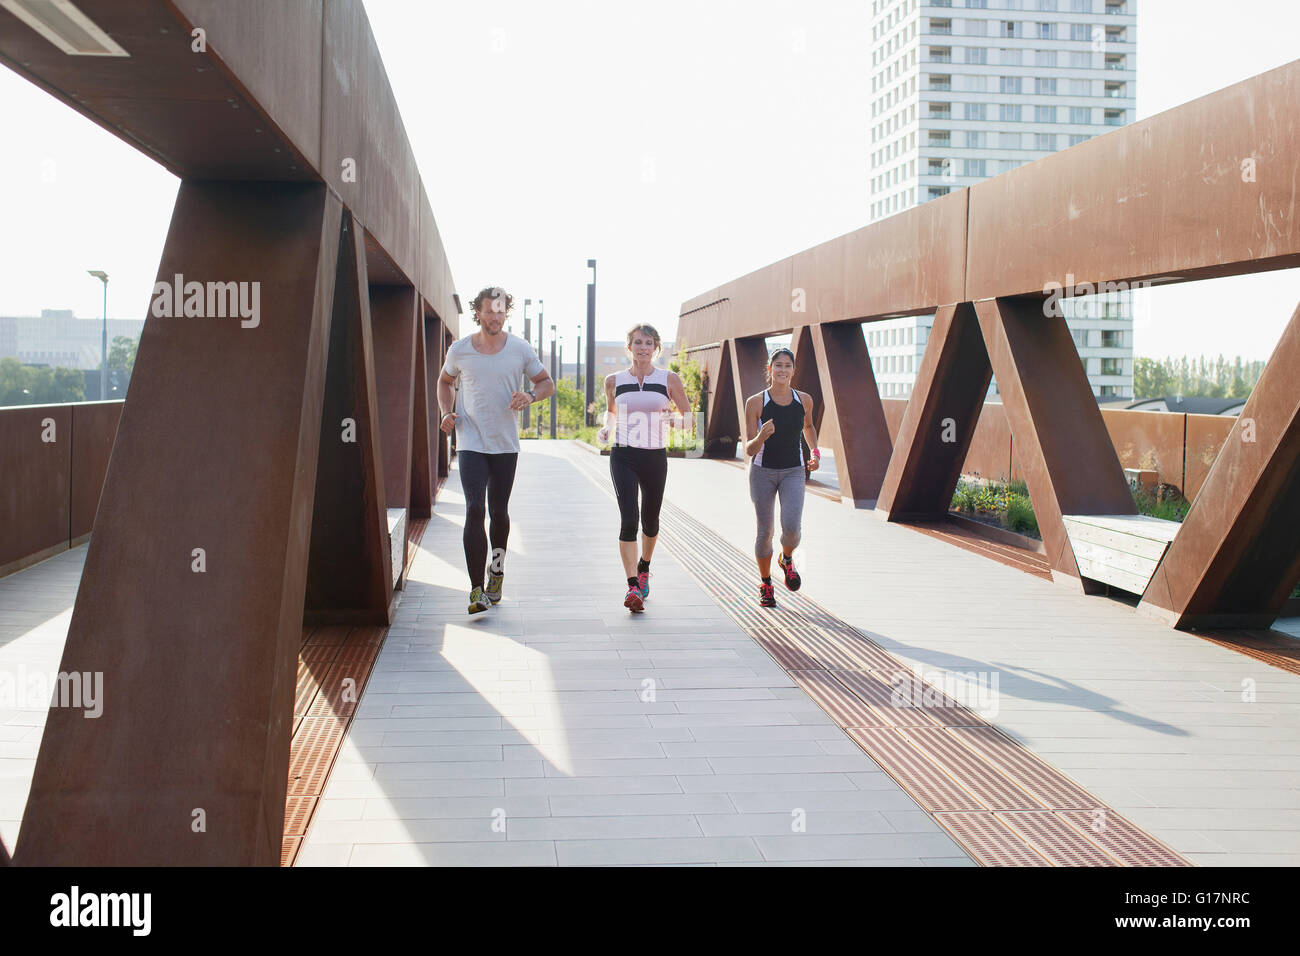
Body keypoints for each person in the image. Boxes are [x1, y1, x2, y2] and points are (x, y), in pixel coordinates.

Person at [438, 287, 554, 613]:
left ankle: (497, 572)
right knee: (475, 509)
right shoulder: (460, 350)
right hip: (471, 441)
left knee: (498, 512)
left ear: (506, 314)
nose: (495, 317)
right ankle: (476, 589)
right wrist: (446, 412)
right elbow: (445, 381)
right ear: (478, 313)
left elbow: (546, 383)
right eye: (489, 311)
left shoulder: (519, 349)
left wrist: (530, 396)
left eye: (500, 312)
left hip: (505, 445)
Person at [597, 324, 691, 611]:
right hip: (623, 454)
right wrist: (605, 429)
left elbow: (689, 420)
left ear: (656, 348)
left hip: (654, 457)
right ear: (629, 347)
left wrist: (672, 420)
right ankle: (632, 586)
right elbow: (612, 414)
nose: (643, 348)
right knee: (629, 518)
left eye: (648, 343)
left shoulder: (669, 379)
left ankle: (645, 566)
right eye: (637, 342)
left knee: (650, 521)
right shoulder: (614, 380)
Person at [743, 347, 820, 608]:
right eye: (778, 365)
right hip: (762, 472)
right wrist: (761, 436)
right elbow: (749, 450)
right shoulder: (755, 402)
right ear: (770, 369)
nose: (783, 370)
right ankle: (765, 584)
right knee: (765, 532)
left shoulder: (804, 400)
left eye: (788, 366)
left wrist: (815, 452)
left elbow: (808, 426)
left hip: (794, 471)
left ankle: (786, 559)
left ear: (793, 370)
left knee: (792, 529)